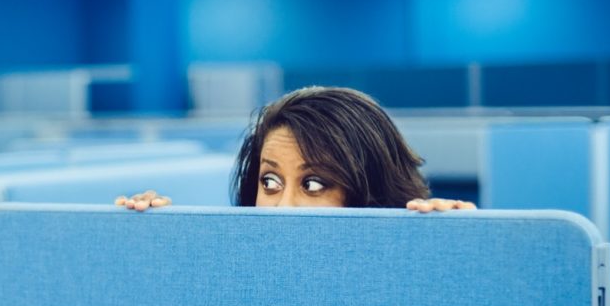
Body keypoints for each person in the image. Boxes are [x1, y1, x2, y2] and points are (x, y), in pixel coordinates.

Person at [116, 86, 476, 212]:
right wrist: (155, 238)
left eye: (314, 184)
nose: (282, 205)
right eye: (270, 181)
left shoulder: (398, 275)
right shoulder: (241, 269)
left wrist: (445, 245)